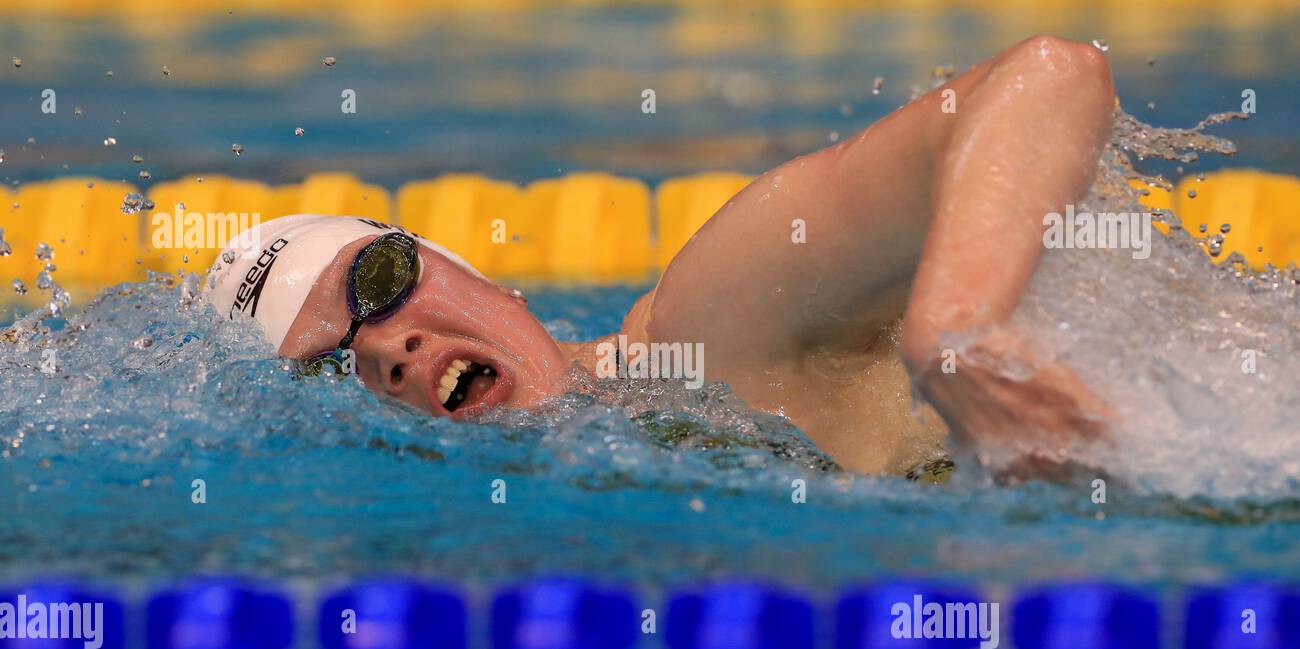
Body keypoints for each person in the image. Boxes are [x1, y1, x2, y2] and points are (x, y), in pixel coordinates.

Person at [206, 35, 1117, 477]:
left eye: (379, 283)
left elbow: (1049, 75)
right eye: (331, 372)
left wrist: (959, 322)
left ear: (484, 277)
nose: (386, 350)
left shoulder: (710, 330)